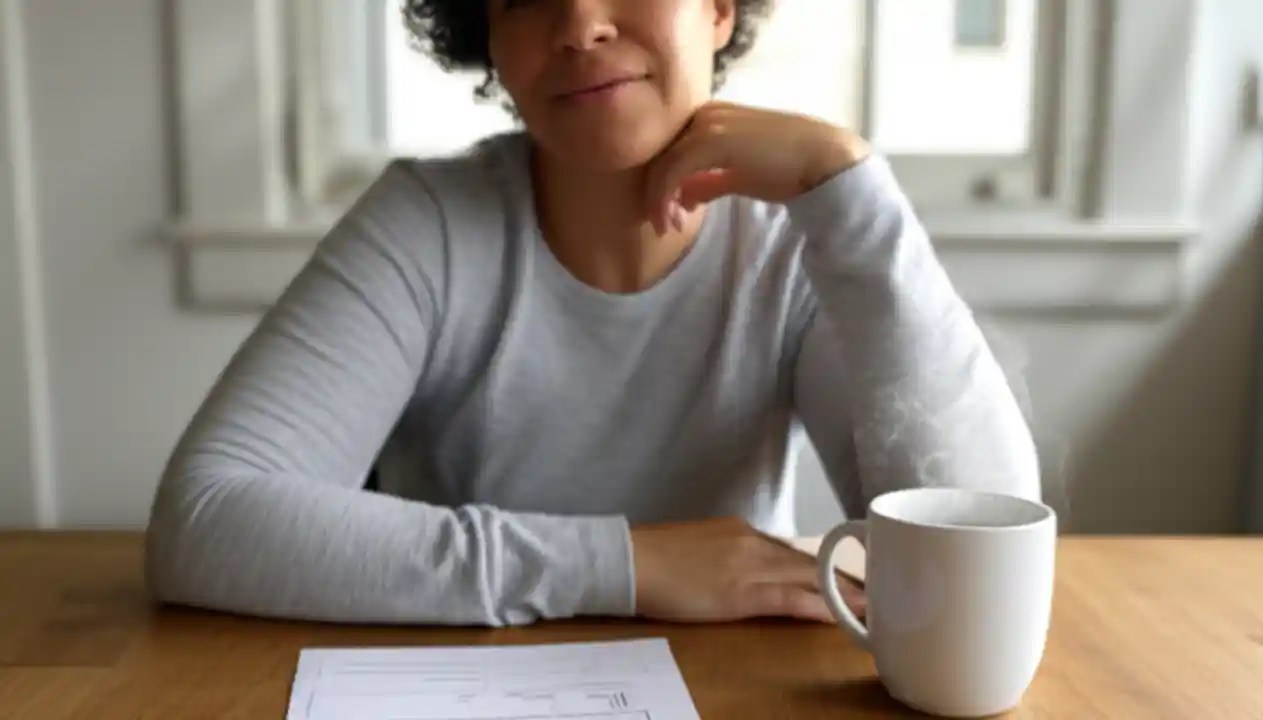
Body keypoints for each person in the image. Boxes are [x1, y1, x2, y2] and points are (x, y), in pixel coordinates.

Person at [144, 0, 1039, 627]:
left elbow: (984, 555)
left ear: (719, 7)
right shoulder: (426, 225)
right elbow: (209, 521)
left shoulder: (803, 240)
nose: (579, 23)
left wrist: (853, 189)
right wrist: (630, 567)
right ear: (486, 38)